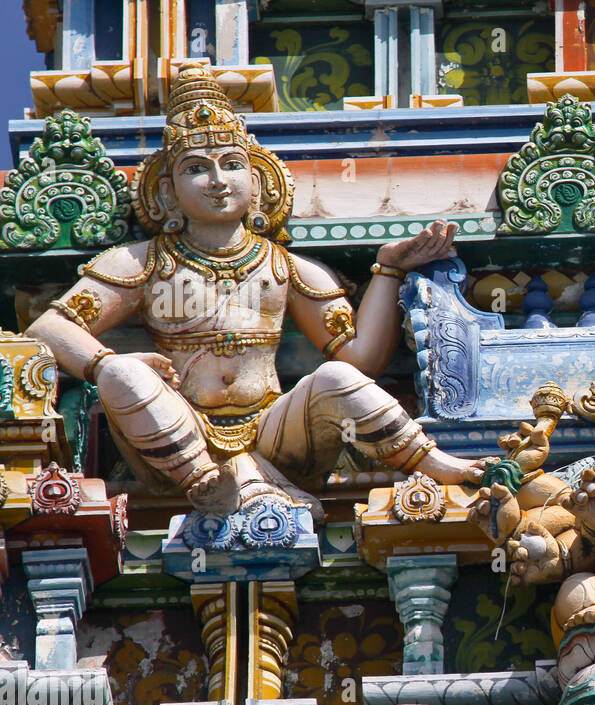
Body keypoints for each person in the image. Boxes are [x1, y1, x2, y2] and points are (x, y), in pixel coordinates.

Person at [26, 64, 485, 517]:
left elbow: (359, 362)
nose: (218, 181)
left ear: (259, 179)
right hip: (177, 433)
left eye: (232, 164)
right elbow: (49, 325)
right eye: (195, 169)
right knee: (122, 375)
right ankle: (211, 482)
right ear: (167, 191)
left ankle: (430, 461)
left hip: (275, 431)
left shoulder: (287, 268)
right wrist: (109, 361)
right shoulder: (144, 262)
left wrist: (386, 269)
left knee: (336, 379)